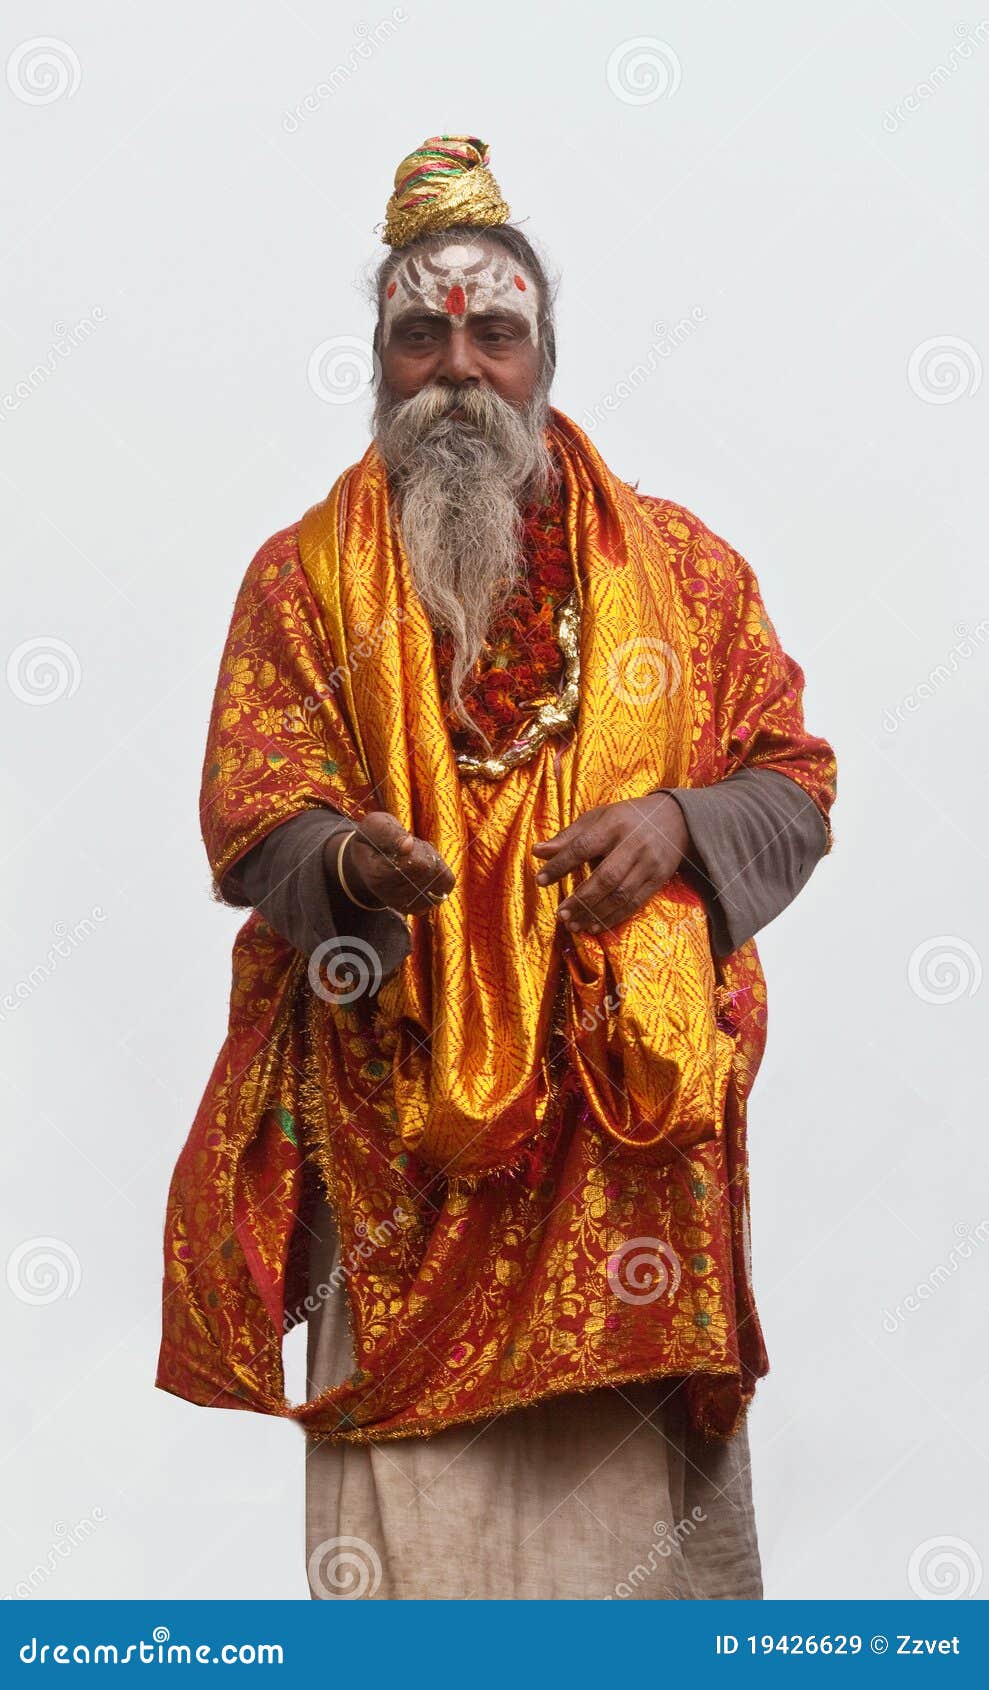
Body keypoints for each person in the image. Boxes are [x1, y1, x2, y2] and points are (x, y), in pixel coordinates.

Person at [156, 135, 838, 1601]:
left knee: (638, 1563)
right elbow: (252, 807)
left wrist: (677, 822)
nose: (457, 369)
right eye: (421, 335)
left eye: (492, 336)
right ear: (379, 360)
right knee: (414, 1561)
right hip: (399, 1137)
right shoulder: (300, 579)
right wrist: (347, 861)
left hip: (621, 1146)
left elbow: (792, 783)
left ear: (542, 356)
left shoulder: (686, 572)